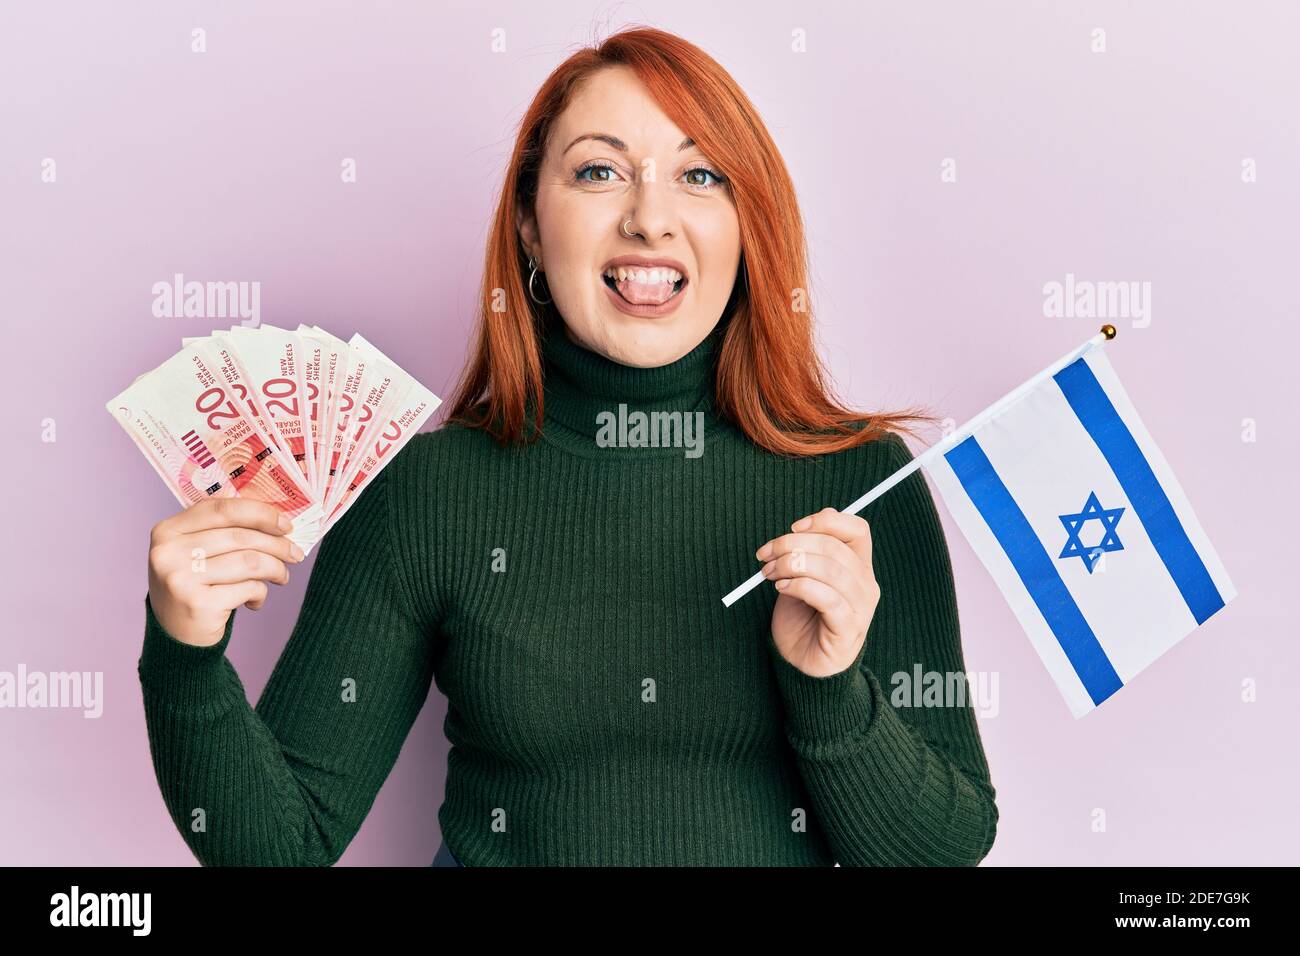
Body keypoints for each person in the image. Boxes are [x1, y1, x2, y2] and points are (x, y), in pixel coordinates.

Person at [139, 26, 998, 867]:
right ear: (527, 221)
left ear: (748, 225)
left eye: (700, 175)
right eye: (599, 171)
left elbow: (944, 851)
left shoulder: (862, 483)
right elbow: (278, 847)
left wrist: (828, 688)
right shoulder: (422, 494)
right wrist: (184, 652)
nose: (650, 219)